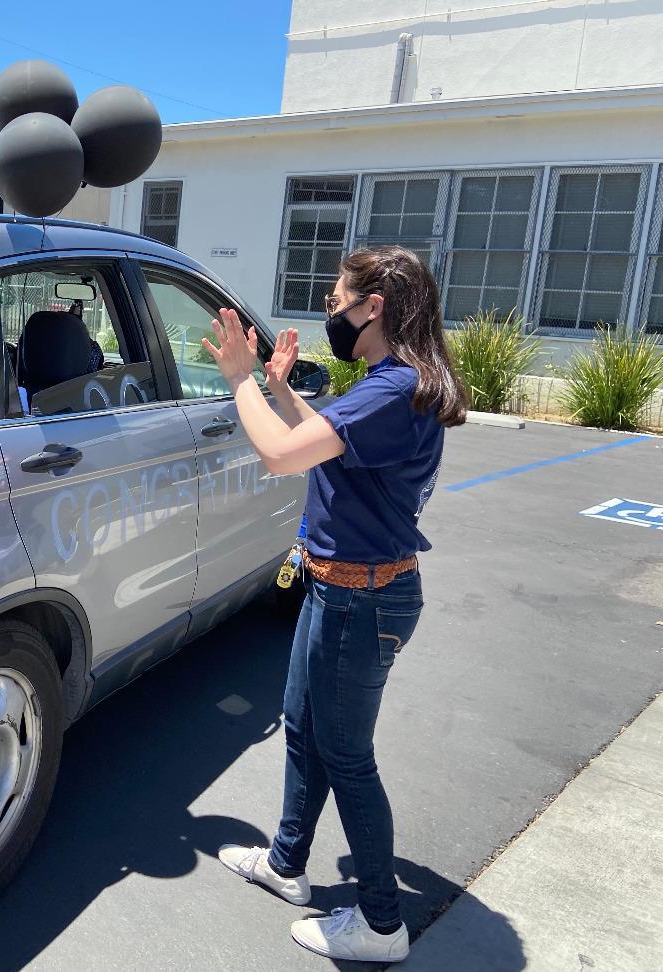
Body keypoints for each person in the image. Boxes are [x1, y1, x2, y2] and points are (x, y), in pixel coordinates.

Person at [203, 246, 468, 964]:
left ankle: (381, 922)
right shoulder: (392, 383)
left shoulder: (392, 390)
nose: (330, 316)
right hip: (341, 588)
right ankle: (287, 864)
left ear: (372, 307)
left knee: (346, 757)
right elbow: (321, 441)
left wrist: (238, 383)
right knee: (304, 731)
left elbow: (283, 456)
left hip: (363, 600)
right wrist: (279, 387)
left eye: (334, 304)